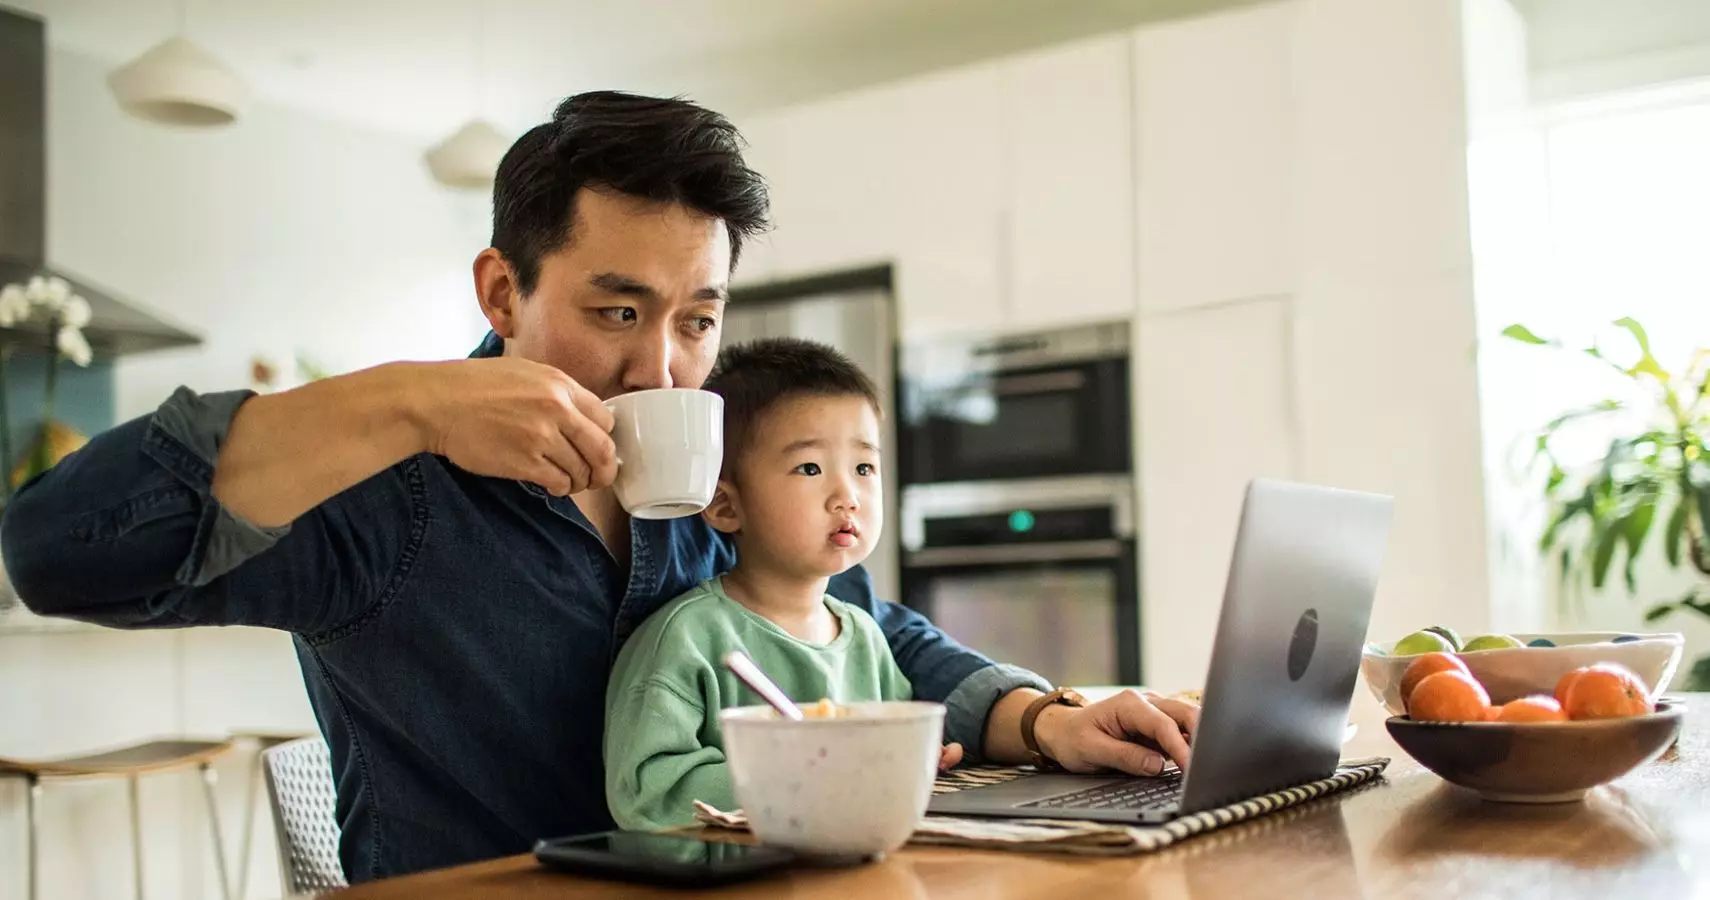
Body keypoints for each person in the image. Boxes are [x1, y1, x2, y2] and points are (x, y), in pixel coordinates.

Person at [0, 91, 1198, 883]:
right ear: (502, 292)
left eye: (698, 320)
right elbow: (55, 550)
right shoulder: (387, 489)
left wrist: (1042, 718)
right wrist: (409, 401)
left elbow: (864, 630)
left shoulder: (717, 479)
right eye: (616, 310)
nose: (657, 366)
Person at [604, 337, 962, 831]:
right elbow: (648, 795)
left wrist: (915, 760)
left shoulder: (866, 638)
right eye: (810, 468)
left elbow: (878, 757)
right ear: (727, 506)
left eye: (864, 468)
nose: (848, 496)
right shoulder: (688, 639)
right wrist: (808, 775)